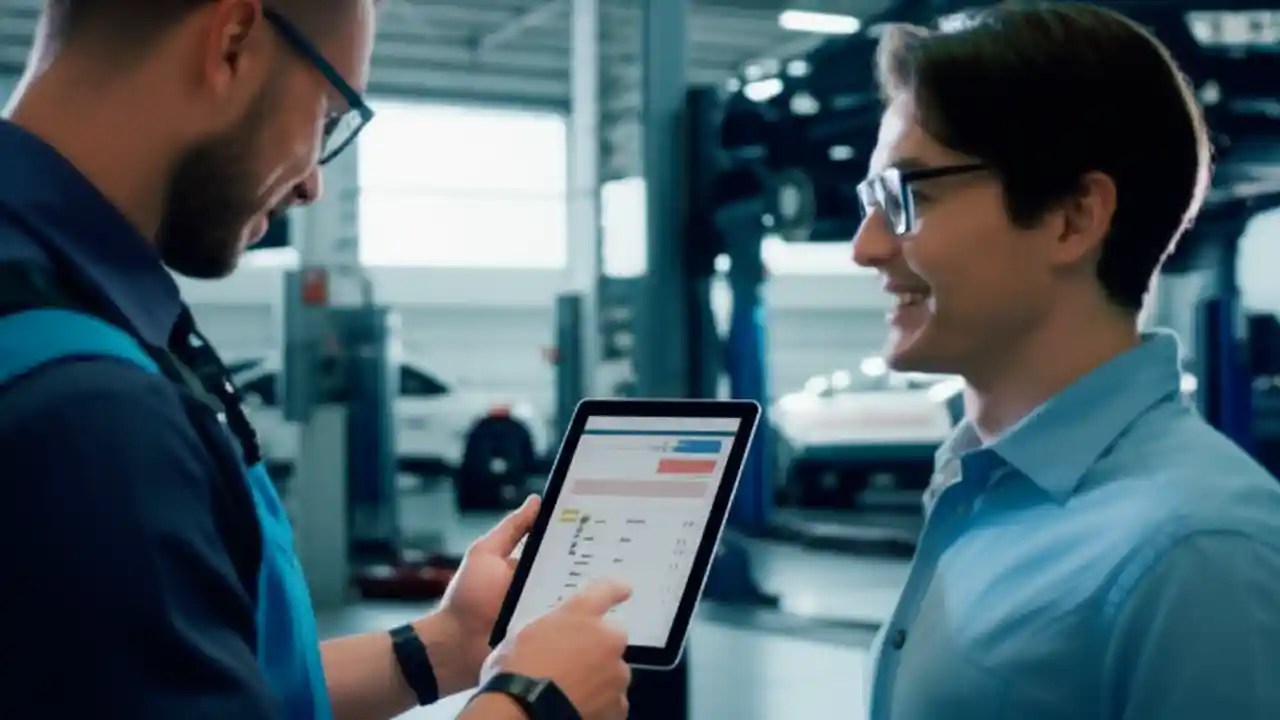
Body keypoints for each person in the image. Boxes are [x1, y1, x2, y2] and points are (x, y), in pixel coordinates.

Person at [0, 2, 631, 719]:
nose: (312, 184)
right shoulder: (90, 413)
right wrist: (533, 703)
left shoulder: (49, 298)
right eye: (328, 115)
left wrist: (445, 645)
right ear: (232, 42)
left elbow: (149, 677)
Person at [850, 3, 1280, 720]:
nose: (865, 246)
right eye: (873, 200)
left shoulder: (1199, 553)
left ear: (1073, 218)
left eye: (907, 197)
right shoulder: (975, 487)